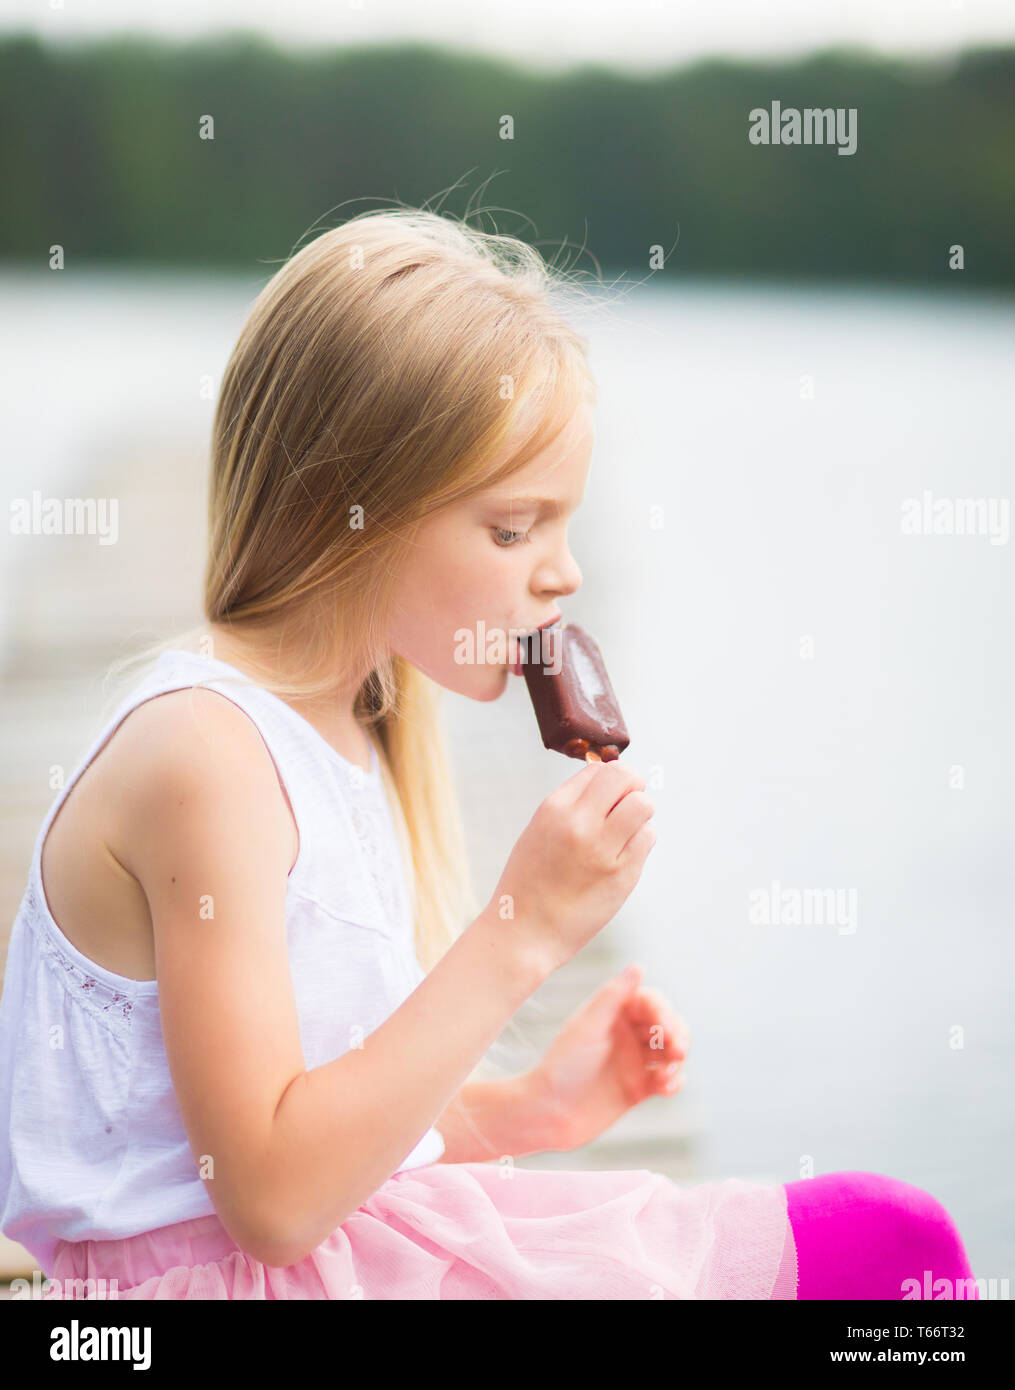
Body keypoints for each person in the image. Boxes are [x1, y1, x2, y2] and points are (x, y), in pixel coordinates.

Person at [0, 209, 978, 1299]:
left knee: (889, 1246)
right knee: (887, 1254)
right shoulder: (205, 757)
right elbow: (270, 1197)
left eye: (565, 527)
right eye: (514, 529)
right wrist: (522, 932)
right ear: (349, 513)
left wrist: (533, 1109)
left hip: (332, 1251)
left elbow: (322, 1126)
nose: (560, 575)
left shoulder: (338, 724)